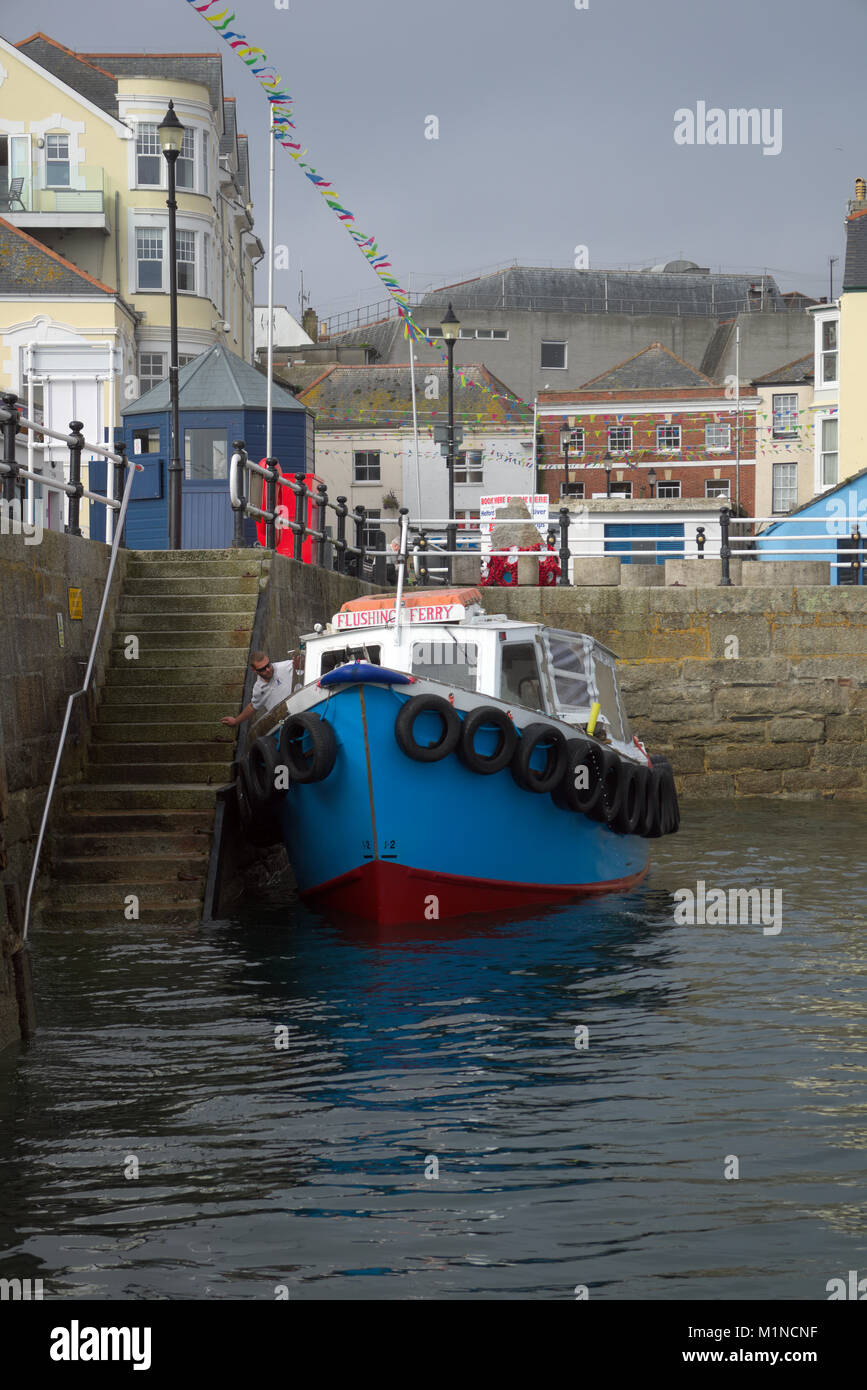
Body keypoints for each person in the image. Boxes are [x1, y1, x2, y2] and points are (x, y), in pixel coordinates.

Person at [221, 651, 295, 727]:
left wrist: (301, 663)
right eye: (262, 669)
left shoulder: (284, 666)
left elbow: (303, 663)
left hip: (301, 708)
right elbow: (252, 707)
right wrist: (235, 721)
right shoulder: (258, 689)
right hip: (285, 723)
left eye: (268, 665)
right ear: (254, 670)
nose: (268, 670)